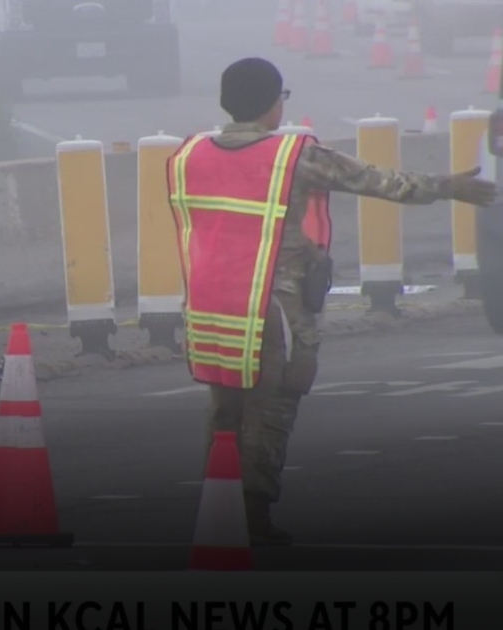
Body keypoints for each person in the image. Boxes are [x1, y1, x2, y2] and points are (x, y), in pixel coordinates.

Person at [166, 57, 497, 547]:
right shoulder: (293, 157)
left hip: (211, 310)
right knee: (270, 410)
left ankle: (218, 510)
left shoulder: (189, 155)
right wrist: (450, 187)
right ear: (273, 103)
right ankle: (252, 520)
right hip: (273, 309)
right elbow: (379, 180)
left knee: (225, 412)